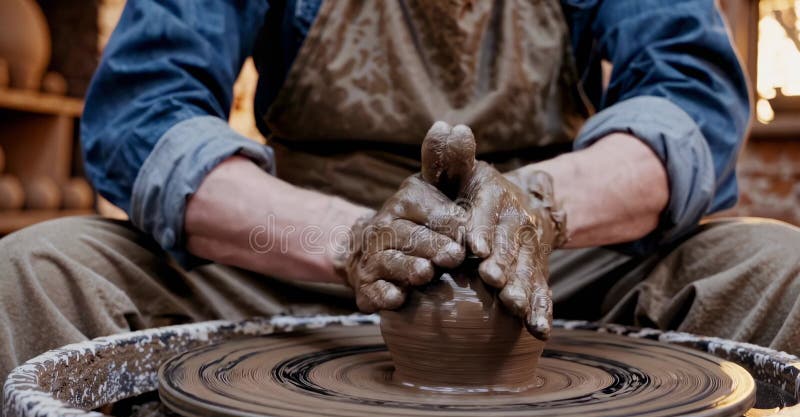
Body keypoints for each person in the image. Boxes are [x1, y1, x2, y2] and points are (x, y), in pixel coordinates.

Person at [1, 0, 799, 385]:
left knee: (777, 272)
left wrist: (540, 207)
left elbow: (690, 92)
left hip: (549, 266)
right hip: (300, 259)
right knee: (38, 274)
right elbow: (143, 107)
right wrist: (348, 242)